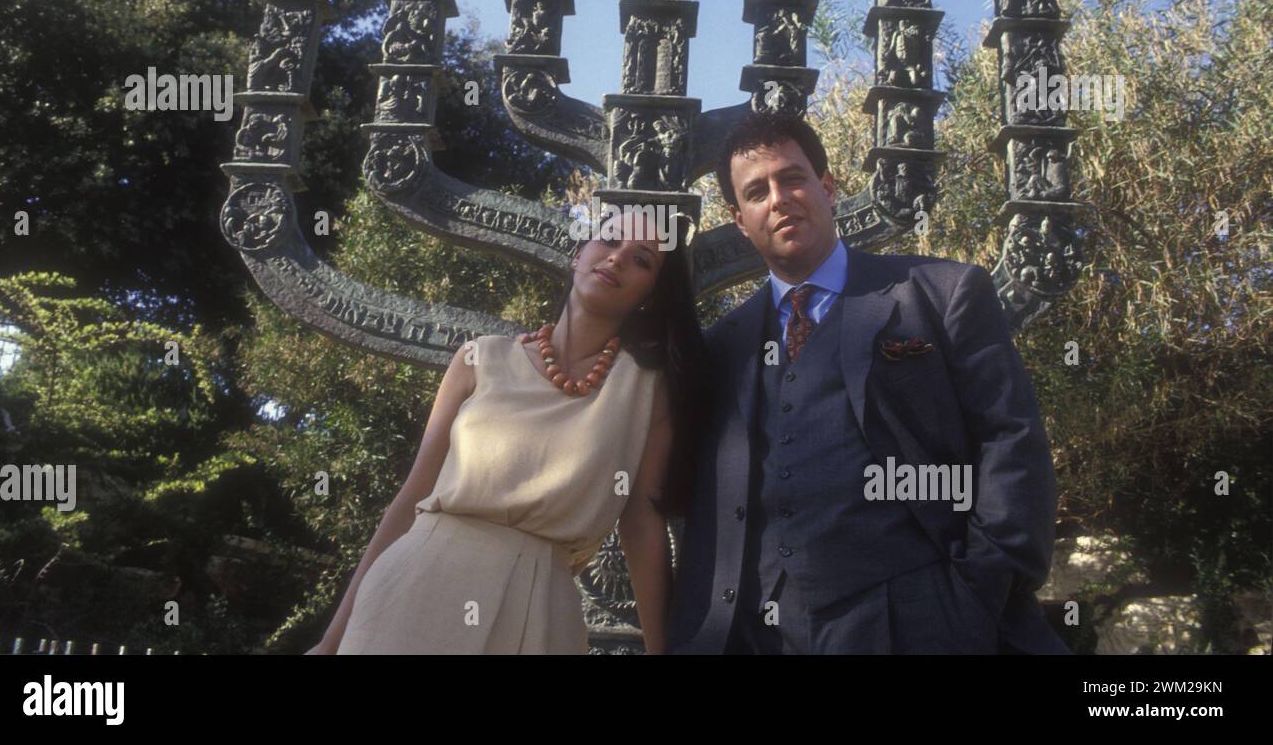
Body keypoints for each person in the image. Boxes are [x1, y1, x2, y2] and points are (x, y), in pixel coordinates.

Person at [666, 112, 1069, 654]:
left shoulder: (939, 294)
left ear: (827, 188)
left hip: (919, 620)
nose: (779, 198)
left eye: (793, 178)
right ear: (740, 221)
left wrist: (983, 584)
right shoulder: (721, 347)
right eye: (756, 191)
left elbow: (1010, 438)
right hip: (757, 632)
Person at [308, 209, 709, 654]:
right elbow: (409, 499)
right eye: (609, 241)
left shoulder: (647, 391)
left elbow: (642, 525)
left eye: (642, 260)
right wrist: (330, 641)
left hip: (542, 613)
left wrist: (662, 650)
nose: (616, 259)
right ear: (578, 254)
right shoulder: (478, 359)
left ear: (650, 294)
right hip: (413, 588)